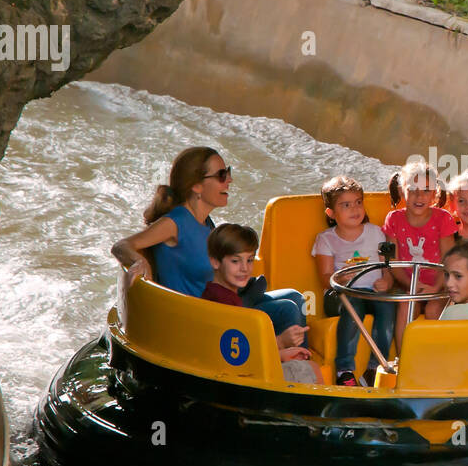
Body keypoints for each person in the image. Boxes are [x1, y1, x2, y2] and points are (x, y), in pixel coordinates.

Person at [111, 146, 309, 348]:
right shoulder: (175, 222)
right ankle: (293, 369)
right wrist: (141, 261)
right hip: (199, 320)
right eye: (222, 175)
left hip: (219, 305)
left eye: (228, 173)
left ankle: (296, 361)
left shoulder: (207, 223)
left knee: (296, 297)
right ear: (196, 186)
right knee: (288, 309)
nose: (229, 180)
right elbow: (121, 246)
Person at [202, 224, 319, 383]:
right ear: (215, 262)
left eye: (249, 260)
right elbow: (238, 356)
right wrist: (281, 342)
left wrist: (283, 353)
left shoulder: (217, 293)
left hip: (243, 369)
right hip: (243, 380)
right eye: (236, 261)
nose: (245, 268)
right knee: (311, 369)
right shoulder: (225, 304)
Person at [312, 176, 396, 387]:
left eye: (358, 202)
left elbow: (388, 268)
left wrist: (386, 281)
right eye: (346, 205)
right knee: (354, 307)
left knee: (387, 309)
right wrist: (341, 277)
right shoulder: (326, 238)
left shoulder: (376, 232)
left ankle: (374, 368)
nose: (355, 209)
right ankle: (345, 370)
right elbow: (324, 278)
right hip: (341, 294)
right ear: (331, 213)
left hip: (372, 292)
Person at [383, 158, 457, 336]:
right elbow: (393, 262)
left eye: (426, 190)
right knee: (405, 304)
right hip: (409, 285)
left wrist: (436, 287)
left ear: (434, 194)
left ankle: (435, 359)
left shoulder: (443, 219)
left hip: (440, 286)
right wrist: (413, 285)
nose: (419, 196)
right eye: (413, 190)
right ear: (402, 191)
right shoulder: (393, 219)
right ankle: (403, 361)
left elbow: (449, 259)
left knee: (432, 310)